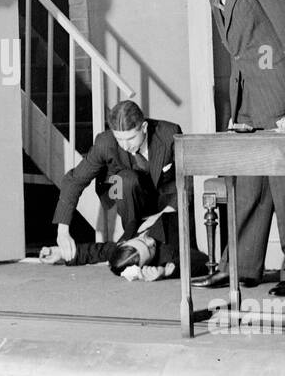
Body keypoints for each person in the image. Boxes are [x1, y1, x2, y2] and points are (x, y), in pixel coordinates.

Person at [164, 0, 285, 297]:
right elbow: (242, 52)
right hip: (248, 102)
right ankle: (242, 267)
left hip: (282, 96)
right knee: (246, 184)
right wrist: (238, 106)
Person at [52, 101, 205, 269]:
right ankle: (131, 235)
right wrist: (62, 231)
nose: (125, 145)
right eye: (119, 139)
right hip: (125, 194)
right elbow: (74, 180)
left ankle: (128, 243)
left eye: (131, 138)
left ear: (144, 127)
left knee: (173, 250)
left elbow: (188, 180)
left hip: (166, 201)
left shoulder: (169, 133)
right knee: (125, 180)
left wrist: (162, 214)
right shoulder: (105, 142)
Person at [40, 207, 209, 281]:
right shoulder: (167, 254)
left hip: (155, 200)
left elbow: (97, 252)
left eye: (141, 241)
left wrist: (62, 253)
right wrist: (166, 271)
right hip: (189, 206)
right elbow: (200, 261)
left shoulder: (125, 245)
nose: (149, 241)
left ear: (126, 242)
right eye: (149, 250)